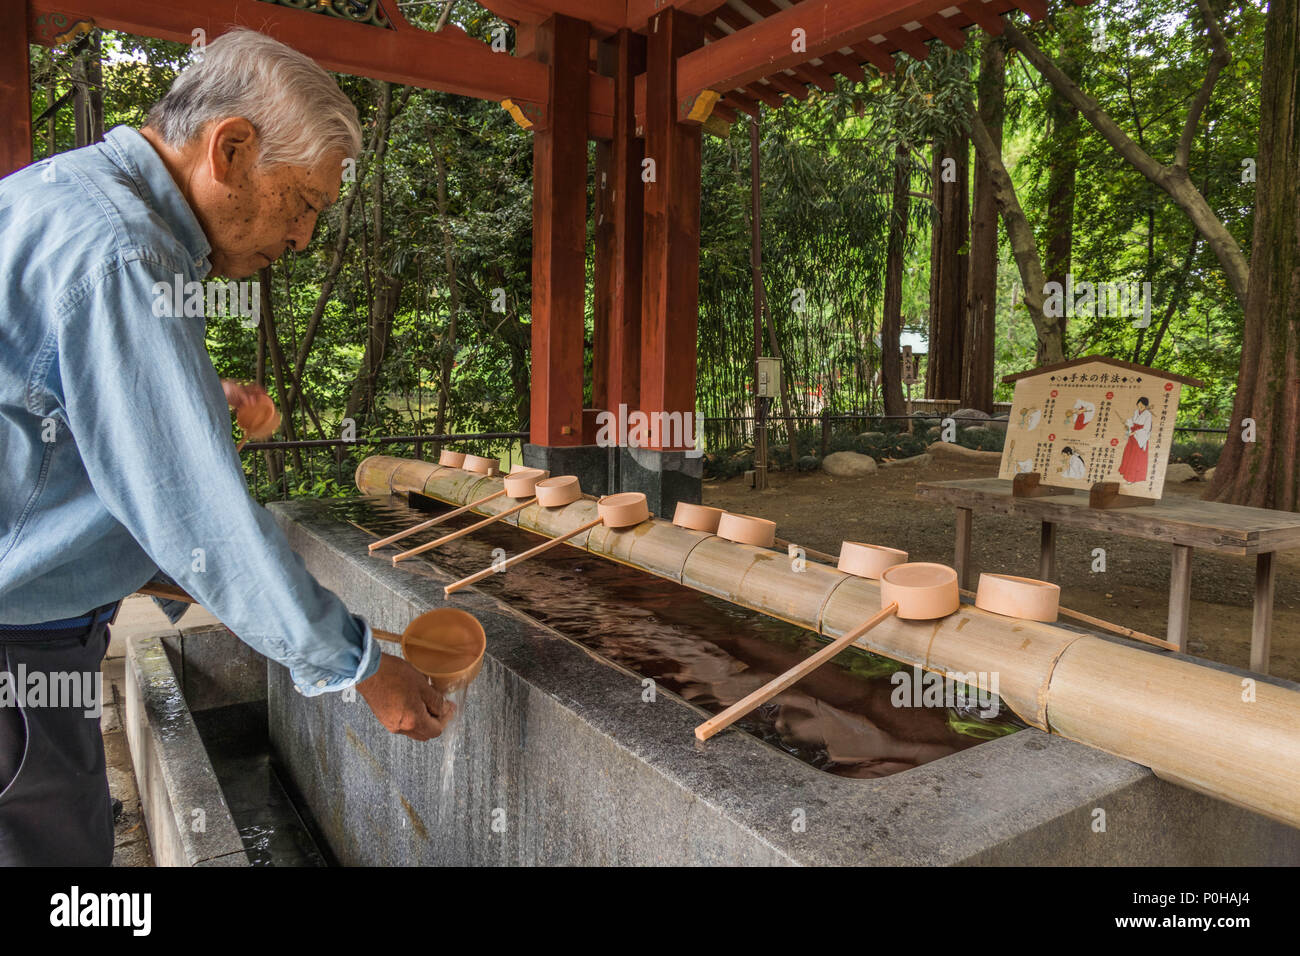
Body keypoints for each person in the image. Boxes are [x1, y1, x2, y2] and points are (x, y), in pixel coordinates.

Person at [0, 29, 451, 866]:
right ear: (232, 148)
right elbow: (195, 509)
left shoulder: (62, 194)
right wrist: (359, 666)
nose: (306, 238)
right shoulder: (125, 253)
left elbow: (41, 409)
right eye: (305, 203)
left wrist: (190, 400)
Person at [1118, 397, 1153, 483]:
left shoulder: (1148, 414)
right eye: (1139, 406)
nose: (1140, 408)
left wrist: (1135, 433)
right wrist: (1126, 421)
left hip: (1141, 437)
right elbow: (1132, 422)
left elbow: (1147, 429)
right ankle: (1126, 472)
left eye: (1142, 406)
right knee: (1128, 454)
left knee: (1135, 457)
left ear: (1146, 406)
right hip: (1133, 436)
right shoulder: (1136, 412)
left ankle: (1132, 478)